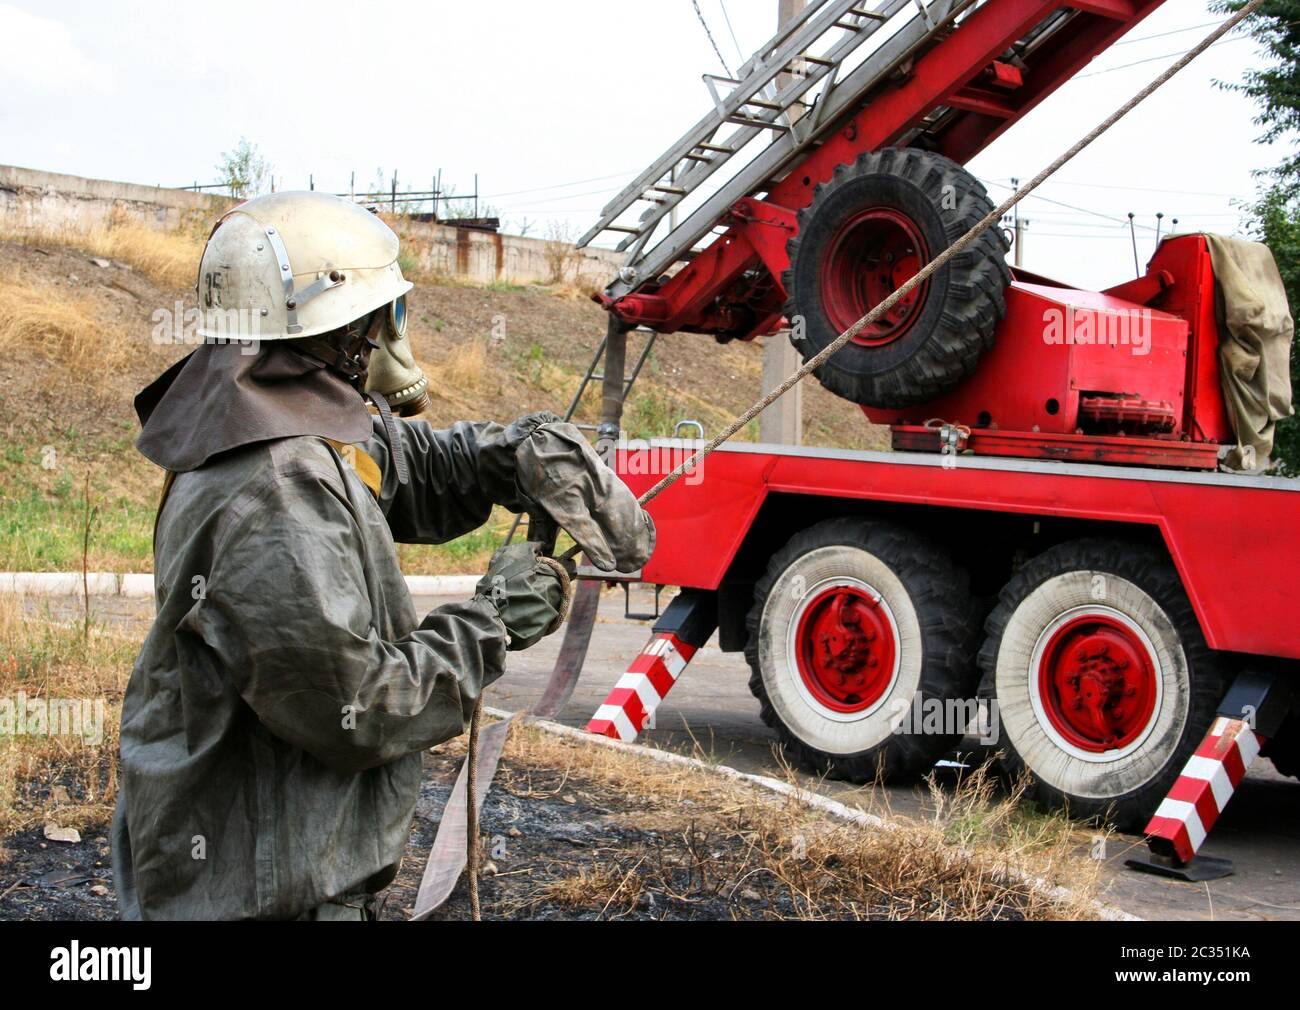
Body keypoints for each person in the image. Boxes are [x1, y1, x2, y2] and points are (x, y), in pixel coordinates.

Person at [111, 192, 654, 920]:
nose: (383, 335)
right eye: (376, 315)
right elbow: (356, 708)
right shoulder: (272, 491)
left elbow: (399, 464)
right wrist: (490, 623)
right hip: (260, 895)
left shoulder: (265, 411)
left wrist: (509, 455)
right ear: (333, 326)